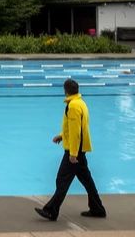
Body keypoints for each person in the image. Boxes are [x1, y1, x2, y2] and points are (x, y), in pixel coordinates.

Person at [35, 78, 106, 221]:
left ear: (65, 91)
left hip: (74, 151)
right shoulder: (81, 103)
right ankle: (98, 209)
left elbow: (76, 133)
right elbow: (77, 128)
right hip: (80, 149)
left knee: (62, 180)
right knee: (87, 181)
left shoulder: (72, 106)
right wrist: (62, 136)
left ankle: (51, 211)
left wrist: (73, 154)